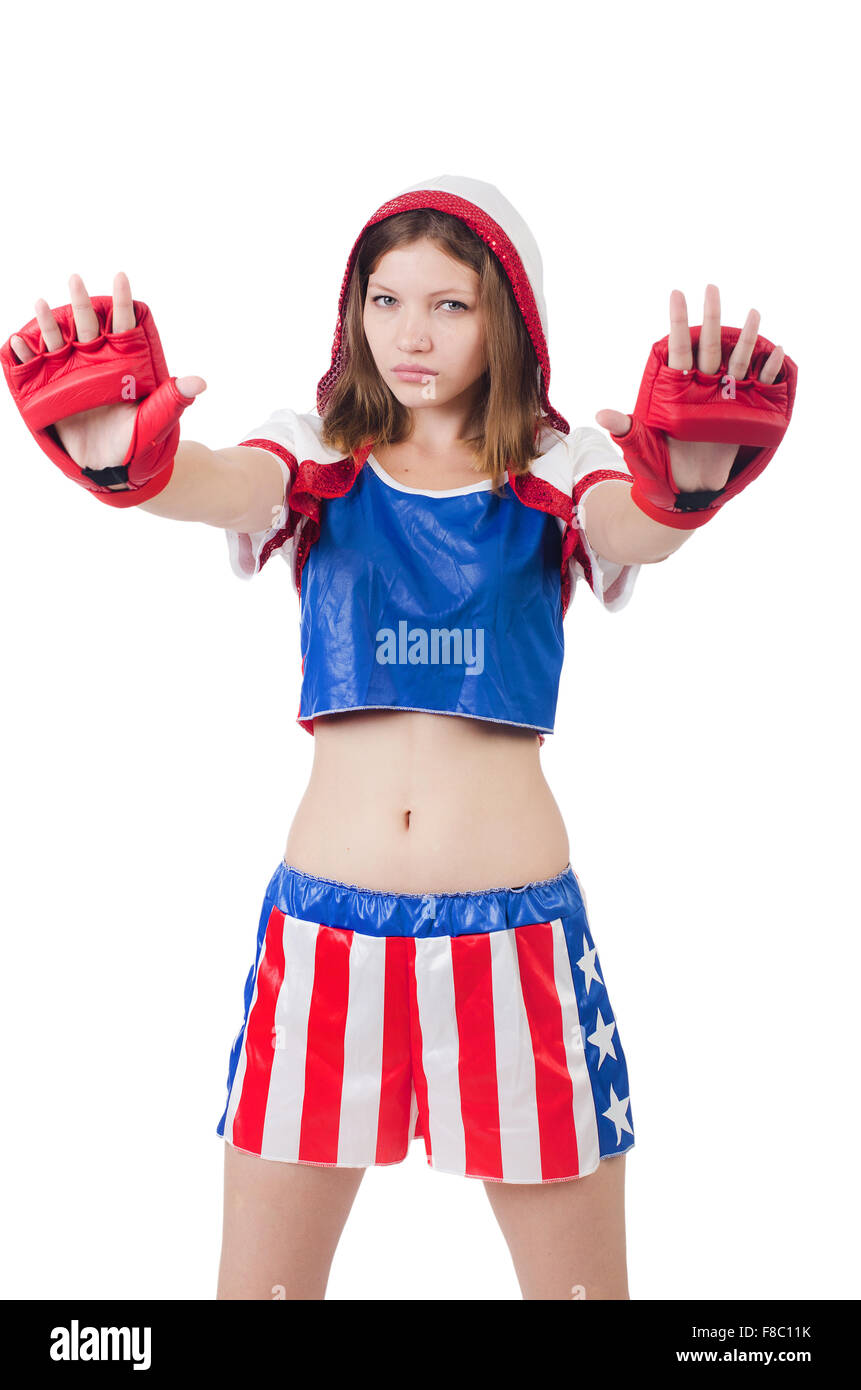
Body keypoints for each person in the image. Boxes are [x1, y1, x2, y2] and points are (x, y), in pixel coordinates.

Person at [1, 174, 794, 1302]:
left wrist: (687, 497)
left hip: (514, 938)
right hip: (327, 931)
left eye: (449, 305)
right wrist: (126, 462)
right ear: (353, 310)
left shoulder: (559, 467)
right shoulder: (316, 450)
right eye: (385, 300)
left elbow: (629, 525)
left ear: (505, 317)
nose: (409, 335)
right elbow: (216, 483)